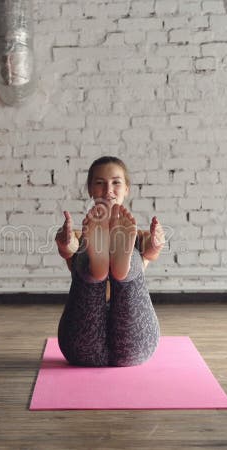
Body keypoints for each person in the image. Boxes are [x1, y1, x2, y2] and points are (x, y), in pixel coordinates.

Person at [54, 156, 165, 367]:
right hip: (90, 338)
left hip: (124, 338)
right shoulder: (81, 234)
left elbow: (150, 249)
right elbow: (70, 248)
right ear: (90, 190)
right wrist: (65, 242)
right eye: (99, 183)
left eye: (116, 182)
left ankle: (114, 266)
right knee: (85, 251)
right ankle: (99, 266)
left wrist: (156, 243)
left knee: (130, 251)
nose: (108, 190)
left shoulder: (136, 234)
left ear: (127, 189)